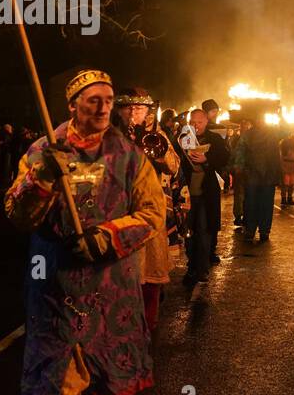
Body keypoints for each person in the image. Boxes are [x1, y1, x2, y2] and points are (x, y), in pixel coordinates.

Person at [6, 70, 164, 395]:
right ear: (72, 104)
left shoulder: (131, 157)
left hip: (112, 292)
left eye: (108, 100)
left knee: (112, 385)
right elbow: (16, 215)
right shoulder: (41, 152)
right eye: (92, 100)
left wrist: (107, 236)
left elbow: (153, 213)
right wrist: (41, 181)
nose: (101, 107)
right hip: (55, 293)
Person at [115, 87, 180, 333]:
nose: (133, 112)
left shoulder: (157, 133)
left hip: (149, 213)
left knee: (149, 278)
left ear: (148, 111)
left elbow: (174, 166)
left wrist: (158, 151)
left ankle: (146, 328)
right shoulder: (108, 135)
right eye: (127, 107)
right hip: (118, 211)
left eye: (139, 108)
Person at [180, 108, 229, 284]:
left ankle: (202, 269)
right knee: (188, 232)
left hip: (205, 192)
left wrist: (206, 160)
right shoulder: (183, 139)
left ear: (206, 122)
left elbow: (224, 158)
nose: (196, 125)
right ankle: (191, 267)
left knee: (204, 231)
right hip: (187, 194)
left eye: (199, 122)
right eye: (192, 122)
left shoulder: (214, 139)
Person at [236, 120, 279, 241]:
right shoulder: (272, 134)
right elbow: (275, 157)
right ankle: (264, 230)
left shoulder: (248, 135)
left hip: (252, 176)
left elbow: (240, 153)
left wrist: (239, 169)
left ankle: (250, 229)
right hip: (266, 176)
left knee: (251, 203)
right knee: (265, 204)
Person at [279, 129, 294, 208]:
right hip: (286, 164)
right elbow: (281, 154)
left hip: (292, 164)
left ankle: (289, 198)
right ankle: (284, 198)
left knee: (291, 183)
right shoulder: (283, 143)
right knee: (285, 183)